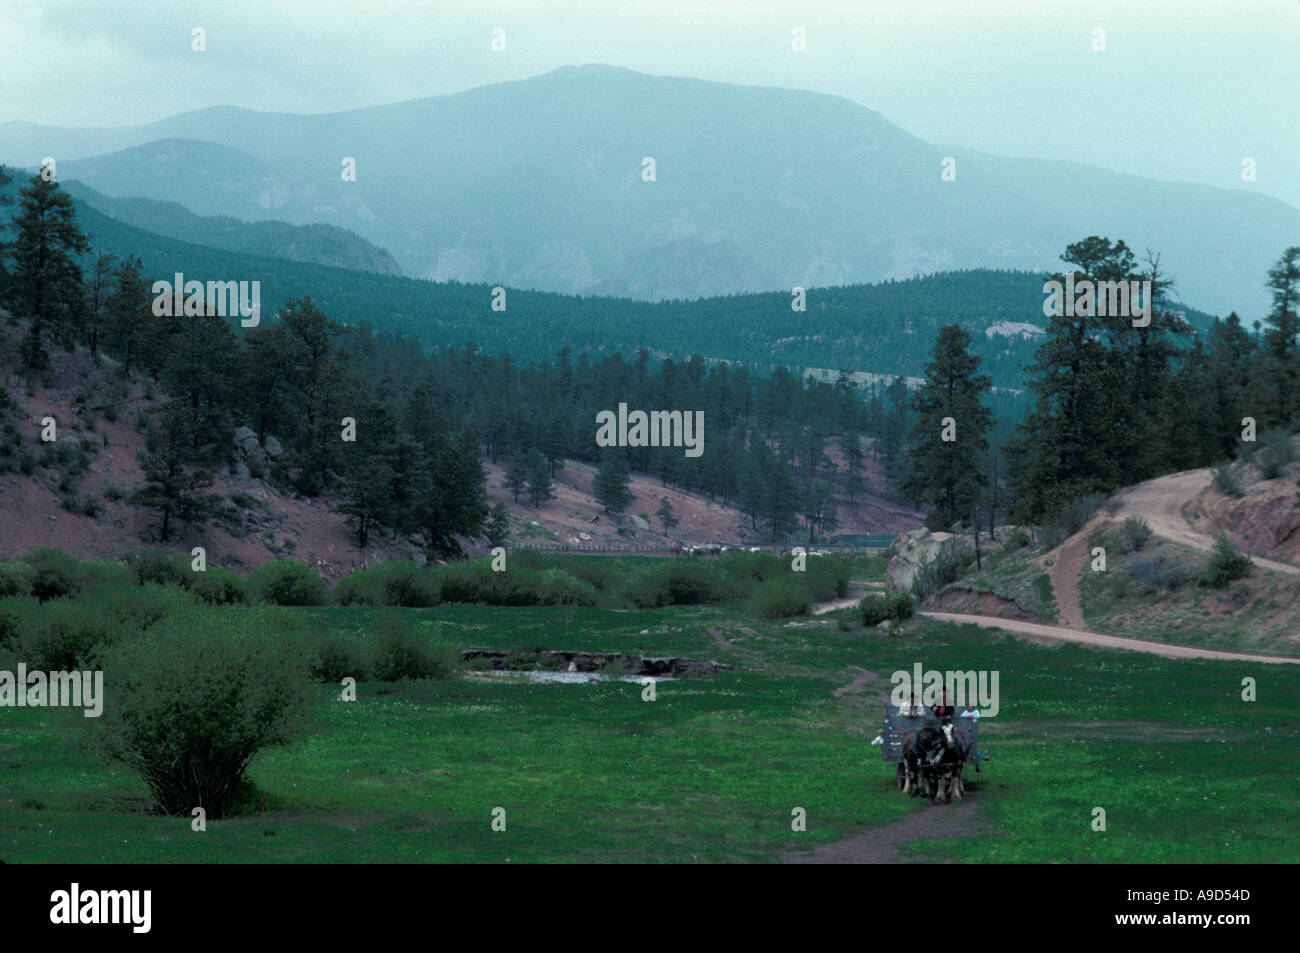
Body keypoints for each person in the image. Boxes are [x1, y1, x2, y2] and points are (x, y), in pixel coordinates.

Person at [961, 705, 992, 771]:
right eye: (968, 706)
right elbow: (962, 716)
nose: (969, 707)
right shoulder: (966, 712)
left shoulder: (975, 712)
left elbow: (977, 717)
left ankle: (982, 760)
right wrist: (968, 716)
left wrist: (971, 717)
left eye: (970, 706)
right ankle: (983, 758)